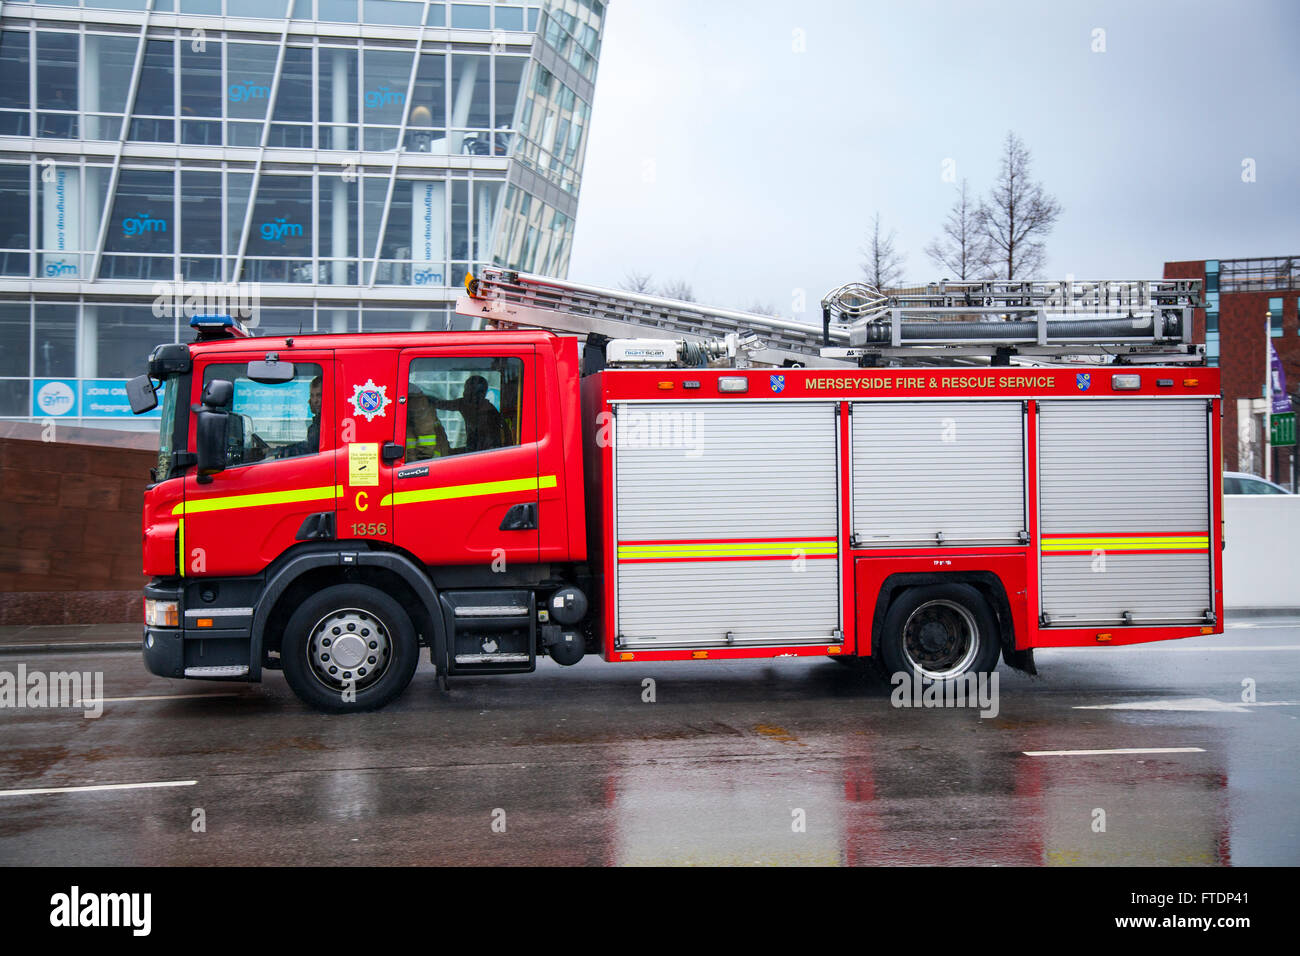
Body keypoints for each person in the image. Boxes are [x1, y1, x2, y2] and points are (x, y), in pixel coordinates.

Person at [433, 374, 509, 452]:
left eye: (468, 390)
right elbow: (443, 404)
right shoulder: (465, 404)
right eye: (466, 389)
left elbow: (488, 446)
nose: (464, 393)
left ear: (480, 394)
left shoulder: (490, 414)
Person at [406, 386, 451, 460]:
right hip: (427, 460)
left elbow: (426, 434)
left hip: (425, 462)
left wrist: (422, 459)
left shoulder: (417, 402)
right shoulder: (419, 403)